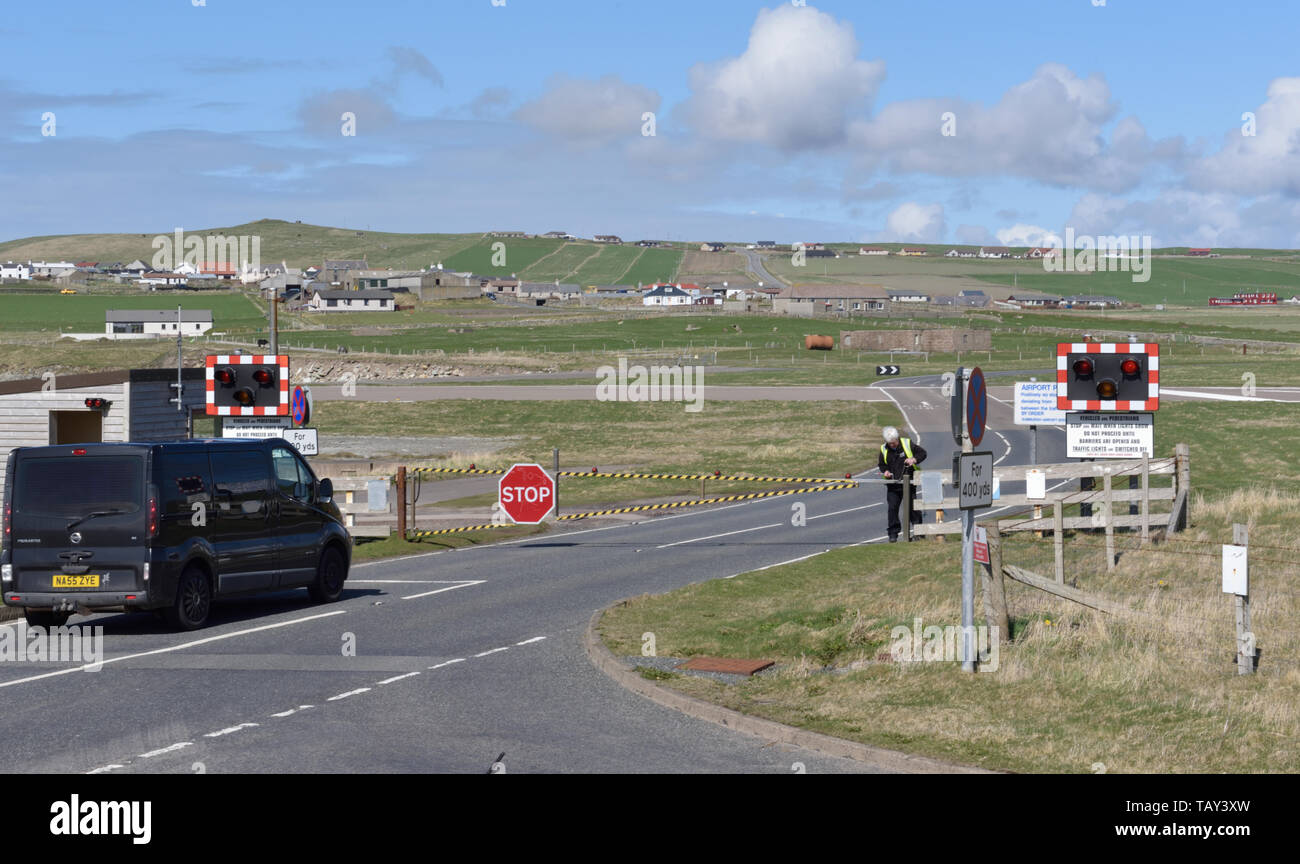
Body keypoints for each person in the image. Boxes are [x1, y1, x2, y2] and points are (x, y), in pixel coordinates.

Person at [878, 426, 926, 542]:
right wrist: (886, 471)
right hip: (893, 485)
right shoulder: (884, 449)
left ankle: (919, 532)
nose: (892, 445)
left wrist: (913, 459)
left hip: (909, 482)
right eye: (890, 443)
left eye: (894, 443)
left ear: (897, 439)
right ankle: (893, 534)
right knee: (892, 509)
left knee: (913, 508)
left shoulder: (907, 443)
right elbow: (881, 464)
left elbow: (923, 453)